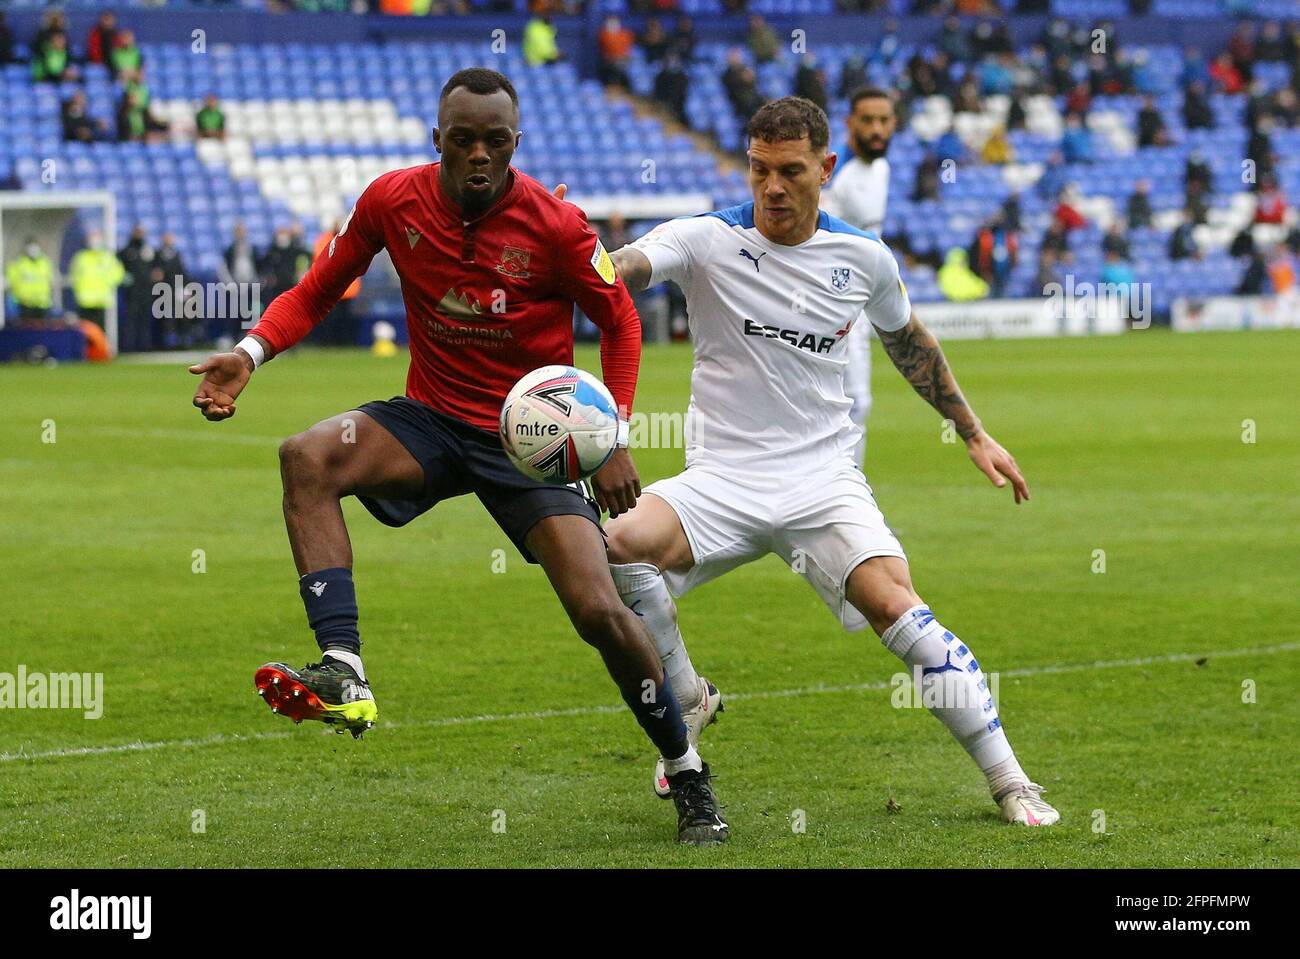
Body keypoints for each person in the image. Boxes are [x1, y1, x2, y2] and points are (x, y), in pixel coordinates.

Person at [187, 69, 723, 846]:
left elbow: (621, 321)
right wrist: (250, 350)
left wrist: (613, 436)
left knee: (601, 612)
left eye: (495, 141)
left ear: (516, 143)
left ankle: (687, 767)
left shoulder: (557, 226)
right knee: (306, 457)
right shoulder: (391, 200)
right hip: (432, 420)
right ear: (436, 138)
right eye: (463, 139)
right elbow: (319, 286)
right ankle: (344, 668)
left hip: (532, 444)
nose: (479, 154)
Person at [600, 96, 1057, 828]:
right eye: (758, 170)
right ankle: (687, 694)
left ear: (825, 167)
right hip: (721, 479)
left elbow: (909, 341)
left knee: (899, 607)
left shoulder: (863, 257)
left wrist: (973, 432)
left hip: (823, 482)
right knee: (614, 551)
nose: (771, 187)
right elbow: (620, 269)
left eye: (789, 171)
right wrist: (573, 250)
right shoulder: (706, 238)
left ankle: (1012, 782)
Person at [820, 86, 896, 464]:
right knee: (846, 403)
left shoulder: (881, 166)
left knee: (856, 403)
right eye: (868, 120)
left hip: (861, 298)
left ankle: (848, 509)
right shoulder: (837, 176)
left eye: (884, 120)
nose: (877, 129)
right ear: (850, 123)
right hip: (828, 299)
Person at [310, 219, 361, 345]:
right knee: (331, 319)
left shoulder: (351, 238)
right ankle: (331, 342)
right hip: (331, 287)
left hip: (347, 288)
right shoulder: (324, 241)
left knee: (345, 318)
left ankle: (346, 342)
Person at [68, 231, 125, 329]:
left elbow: (119, 274)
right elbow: (73, 276)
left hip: (102, 301)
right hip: (84, 301)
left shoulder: (107, 257)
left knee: (100, 332)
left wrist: (109, 283)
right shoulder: (81, 257)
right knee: (86, 331)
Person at [118, 224, 156, 351]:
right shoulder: (126, 251)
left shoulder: (148, 250)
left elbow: (155, 267)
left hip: (146, 291)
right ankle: (129, 347)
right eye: (137, 232)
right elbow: (120, 268)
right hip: (132, 292)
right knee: (131, 319)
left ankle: (145, 346)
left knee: (145, 319)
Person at [5, 239, 55, 325]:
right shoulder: (18, 263)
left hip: (42, 304)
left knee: (42, 331)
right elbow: (11, 282)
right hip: (25, 304)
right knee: (26, 331)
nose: (33, 250)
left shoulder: (45, 263)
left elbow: (50, 281)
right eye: (31, 248)